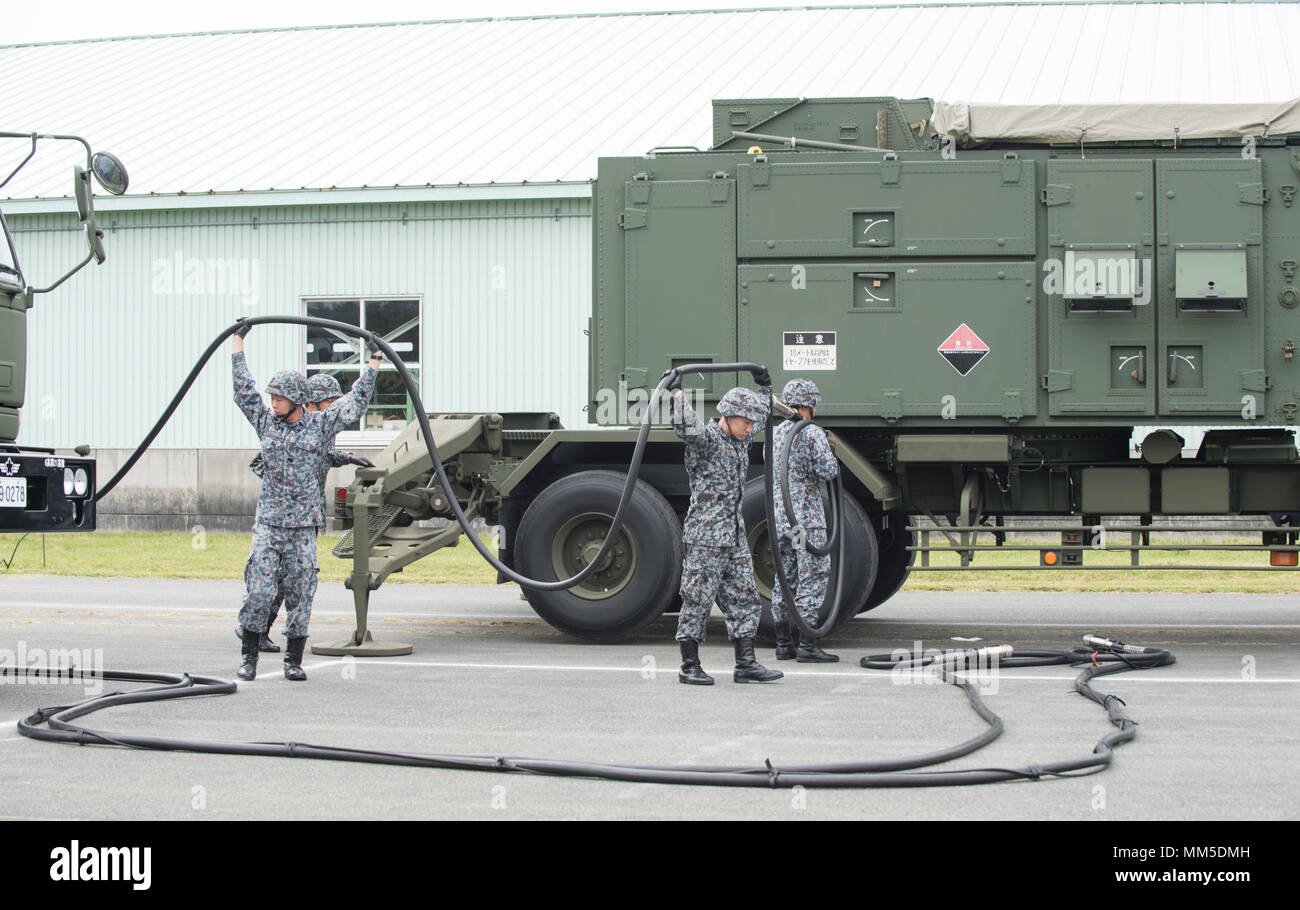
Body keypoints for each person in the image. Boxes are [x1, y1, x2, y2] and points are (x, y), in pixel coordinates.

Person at [232, 326, 380, 681]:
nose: (273, 402)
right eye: (273, 397)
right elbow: (243, 392)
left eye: (280, 397)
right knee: (260, 590)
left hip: (302, 528)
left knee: (301, 592)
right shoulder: (266, 422)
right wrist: (238, 343)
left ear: (297, 399)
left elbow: (355, 402)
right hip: (268, 526)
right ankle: (249, 656)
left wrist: (374, 360)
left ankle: (292, 660)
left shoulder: (319, 425)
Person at [233, 372, 359, 653]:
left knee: (295, 580)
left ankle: (268, 632)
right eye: (330, 401)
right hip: (279, 516)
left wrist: (343, 457)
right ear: (312, 402)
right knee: (269, 578)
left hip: (305, 516)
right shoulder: (290, 427)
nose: (333, 407)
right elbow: (262, 463)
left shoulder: (321, 429)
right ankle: (254, 628)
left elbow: (319, 455)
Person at [669, 380, 782, 685]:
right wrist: (679, 393)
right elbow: (686, 425)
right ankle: (689, 665)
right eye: (746, 422)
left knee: (745, 596)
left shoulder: (739, 439)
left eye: (752, 423)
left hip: (733, 535)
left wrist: (764, 390)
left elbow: (757, 416)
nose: (750, 429)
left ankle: (746, 663)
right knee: (698, 598)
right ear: (728, 416)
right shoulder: (707, 441)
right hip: (706, 537)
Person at [769, 378, 840, 662]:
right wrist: (830, 448)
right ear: (809, 405)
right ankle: (808, 645)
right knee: (812, 575)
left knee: (785, 577)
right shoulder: (811, 432)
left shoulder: (775, 434)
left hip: (782, 520)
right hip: (806, 521)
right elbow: (827, 471)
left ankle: (783, 643)